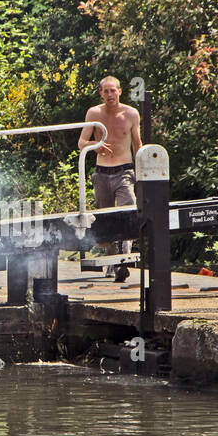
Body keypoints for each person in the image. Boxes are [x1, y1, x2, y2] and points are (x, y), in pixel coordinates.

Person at [77, 75, 142, 283]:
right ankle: (112, 259)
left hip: (124, 171)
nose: (109, 95)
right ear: (100, 94)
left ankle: (124, 261)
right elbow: (81, 142)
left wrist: (141, 172)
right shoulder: (94, 113)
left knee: (128, 210)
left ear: (120, 92)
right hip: (102, 172)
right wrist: (94, 145)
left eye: (113, 90)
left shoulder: (131, 113)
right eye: (105, 91)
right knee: (104, 220)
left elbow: (137, 144)